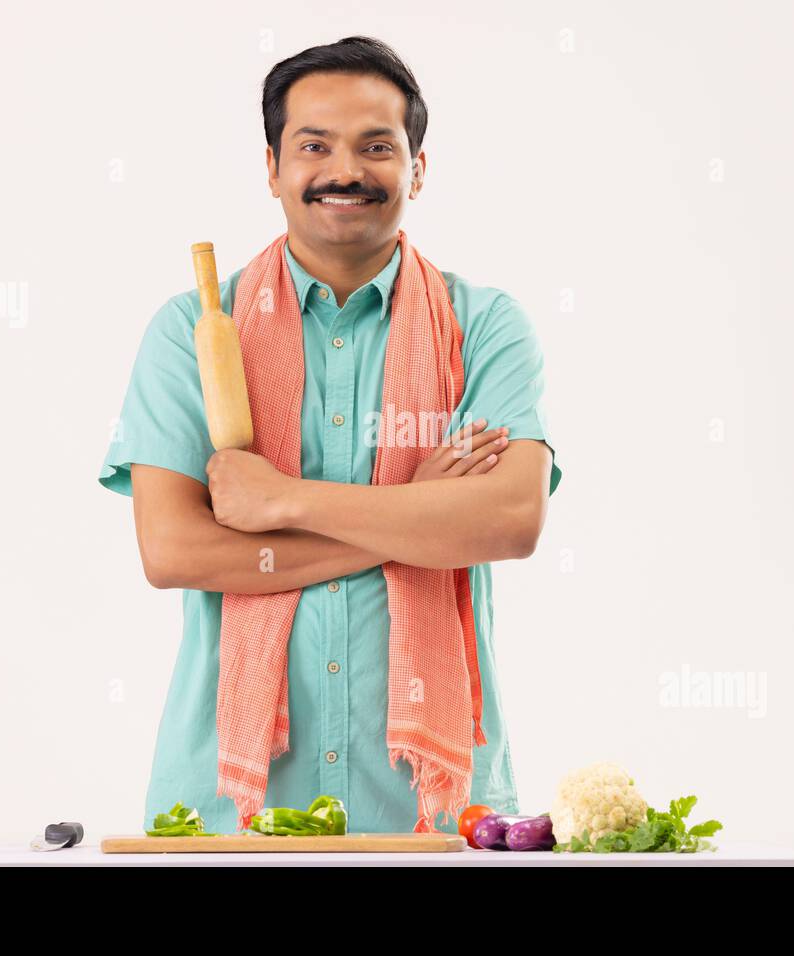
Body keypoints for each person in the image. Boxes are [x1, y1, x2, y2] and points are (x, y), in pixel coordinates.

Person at [98, 36, 562, 835]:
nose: (344, 170)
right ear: (273, 167)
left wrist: (282, 500)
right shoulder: (192, 332)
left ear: (418, 169)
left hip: (436, 809)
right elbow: (175, 552)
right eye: (314, 146)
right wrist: (415, 517)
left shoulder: (484, 328)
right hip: (227, 808)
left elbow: (509, 521)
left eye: (377, 146)